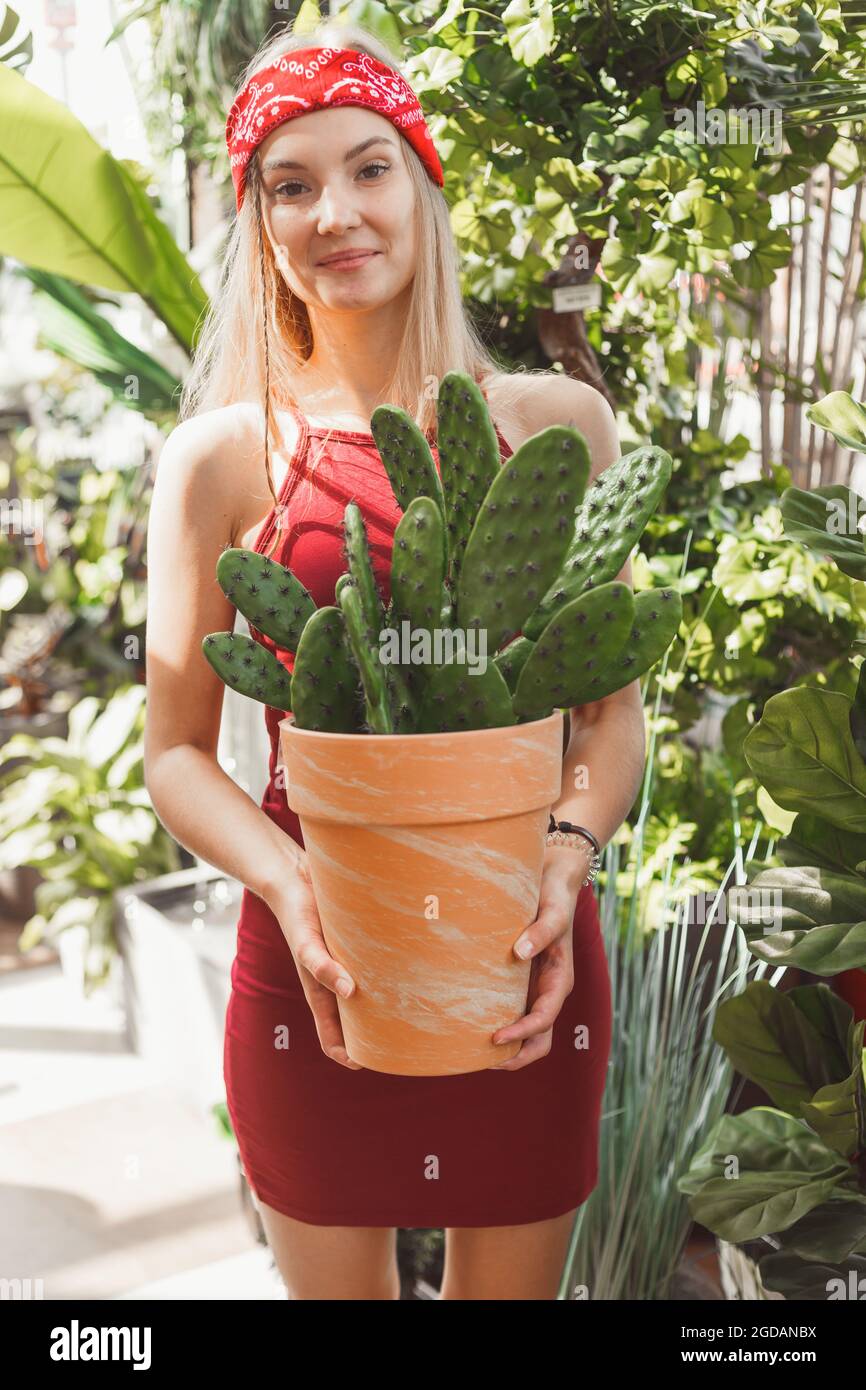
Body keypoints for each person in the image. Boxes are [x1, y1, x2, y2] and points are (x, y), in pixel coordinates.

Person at [144, 20, 646, 1300]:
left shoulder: (557, 423)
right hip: (313, 952)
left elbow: (608, 721)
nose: (335, 214)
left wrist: (564, 852)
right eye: (291, 185)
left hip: (518, 945)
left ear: (419, 186)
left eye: (368, 168)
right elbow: (176, 756)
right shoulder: (216, 460)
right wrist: (288, 883)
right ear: (258, 227)